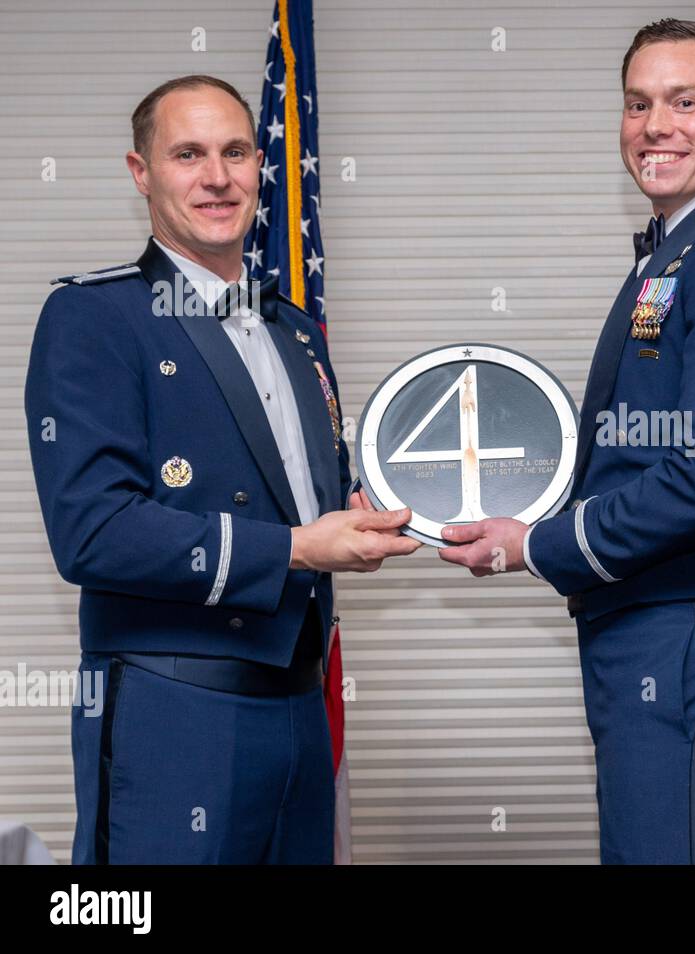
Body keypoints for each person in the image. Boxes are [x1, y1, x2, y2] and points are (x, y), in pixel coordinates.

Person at [434, 20, 695, 863]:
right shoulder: (675, 255)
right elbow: (630, 453)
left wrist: (539, 542)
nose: (656, 125)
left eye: (686, 102)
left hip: (692, 635)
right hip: (658, 631)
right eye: (638, 104)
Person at [25, 74, 420, 864]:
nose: (218, 177)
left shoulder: (294, 332)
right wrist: (303, 548)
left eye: (236, 152)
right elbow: (93, 534)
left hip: (302, 711)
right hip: (177, 715)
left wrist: (359, 519)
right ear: (142, 172)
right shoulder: (95, 317)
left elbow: (301, 501)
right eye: (188, 154)